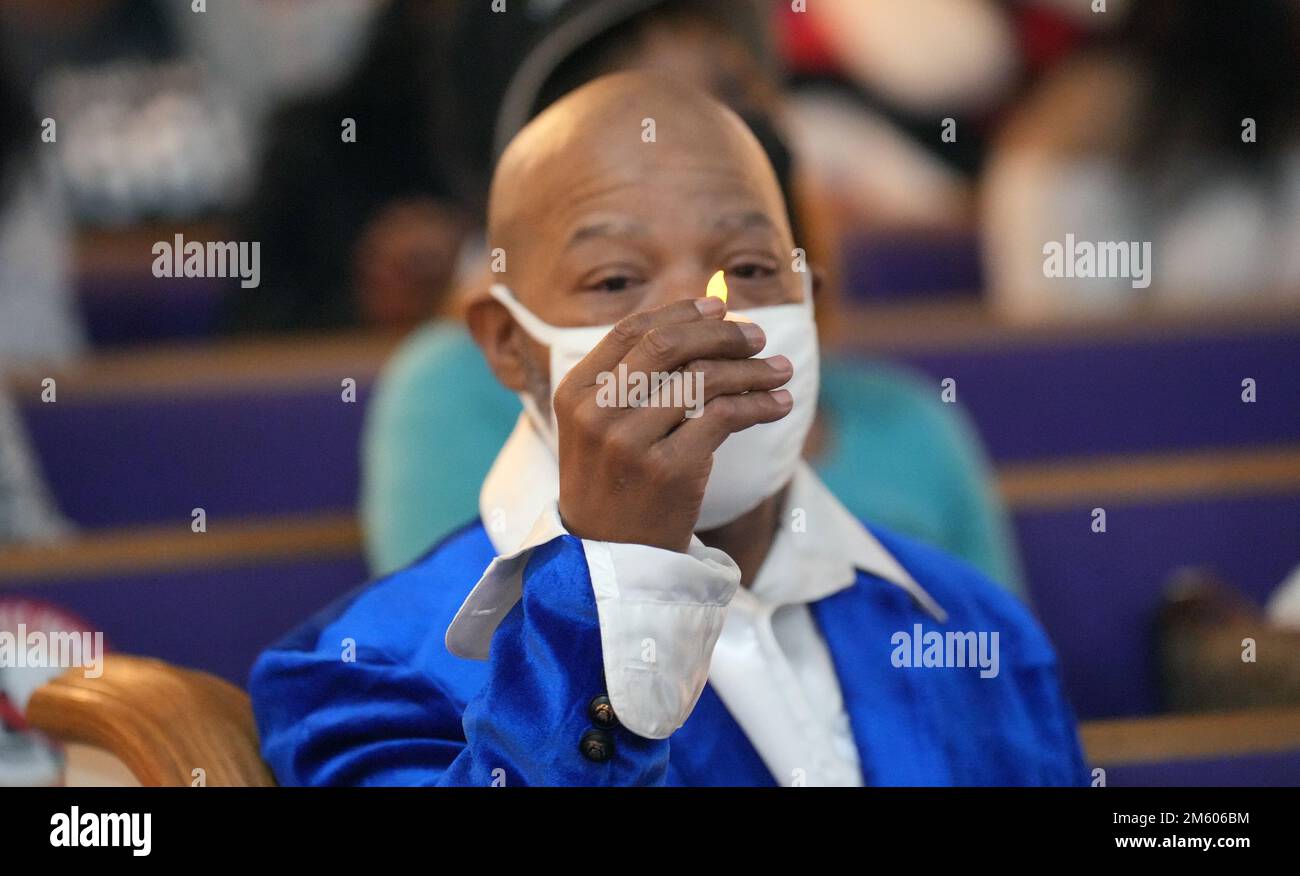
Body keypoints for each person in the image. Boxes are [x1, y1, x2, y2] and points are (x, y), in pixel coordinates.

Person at [250, 74, 1085, 786]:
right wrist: (619, 580)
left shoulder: (970, 627)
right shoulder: (367, 669)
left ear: (811, 303)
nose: (703, 314)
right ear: (511, 347)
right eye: (615, 278)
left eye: (752, 269)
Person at [359, 0, 1025, 596]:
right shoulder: (451, 390)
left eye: (734, 96)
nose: (696, 149)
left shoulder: (908, 421)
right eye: (630, 106)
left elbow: (993, 701)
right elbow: (467, 687)